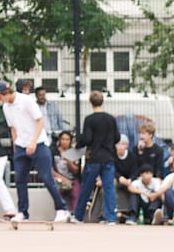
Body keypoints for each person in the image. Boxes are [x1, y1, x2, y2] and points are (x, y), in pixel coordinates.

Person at [0, 80, 70, 223]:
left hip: (39, 143)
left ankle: (62, 209)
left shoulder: (26, 101)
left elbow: (40, 121)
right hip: (21, 145)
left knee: (46, 177)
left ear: (6, 93)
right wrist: (15, 145)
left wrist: (33, 142)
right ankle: (23, 212)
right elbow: (12, 127)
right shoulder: (6, 107)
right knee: (20, 179)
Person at [72, 92, 119, 225]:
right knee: (109, 187)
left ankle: (79, 216)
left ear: (91, 102)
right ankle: (111, 217)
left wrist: (78, 145)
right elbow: (117, 137)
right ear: (102, 101)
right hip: (108, 156)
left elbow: (87, 138)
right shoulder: (111, 119)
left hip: (94, 157)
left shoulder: (90, 119)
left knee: (86, 187)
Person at [114, 134, 139, 224]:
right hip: (118, 180)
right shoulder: (112, 156)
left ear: (127, 146)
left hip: (129, 181)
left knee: (134, 187)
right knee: (110, 183)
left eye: (123, 144)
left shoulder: (132, 156)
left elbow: (135, 171)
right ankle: (111, 212)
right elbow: (111, 169)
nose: (120, 147)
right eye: (118, 144)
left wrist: (130, 179)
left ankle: (132, 215)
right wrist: (119, 177)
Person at [52, 130, 81, 208]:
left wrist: (69, 161)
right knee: (58, 192)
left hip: (72, 179)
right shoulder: (53, 151)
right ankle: (61, 211)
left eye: (67, 139)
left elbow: (76, 171)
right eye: (63, 139)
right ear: (59, 140)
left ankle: (75, 213)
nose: (65, 142)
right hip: (58, 178)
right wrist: (63, 179)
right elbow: (51, 170)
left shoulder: (74, 152)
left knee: (76, 193)